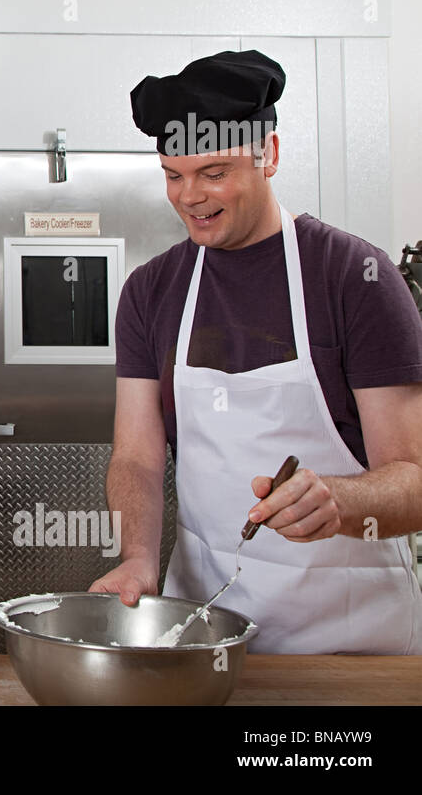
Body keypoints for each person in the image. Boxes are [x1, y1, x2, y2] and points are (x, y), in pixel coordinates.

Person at [90, 49, 422, 653]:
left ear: (268, 153)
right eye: (173, 175)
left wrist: (341, 501)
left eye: (214, 172)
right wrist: (137, 557)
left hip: (351, 641)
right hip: (204, 628)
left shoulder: (354, 277)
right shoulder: (150, 290)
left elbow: (414, 479)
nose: (190, 196)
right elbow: (137, 457)